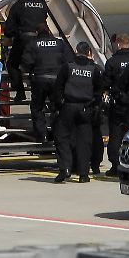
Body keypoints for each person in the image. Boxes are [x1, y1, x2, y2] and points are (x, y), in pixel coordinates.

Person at [52, 41, 105, 183]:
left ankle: (65, 168)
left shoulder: (68, 66)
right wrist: (95, 106)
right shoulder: (94, 69)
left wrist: (58, 105)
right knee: (84, 142)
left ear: (76, 51)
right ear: (89, 53)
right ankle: (83, 174)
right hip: (86, 108)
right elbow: (99, 92)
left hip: (68, 106)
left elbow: (58, 88)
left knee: (62, 137)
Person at [19, 23, 71, 142]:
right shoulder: (59, 43)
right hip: (57, 80)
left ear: (37, 33)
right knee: (58, 107)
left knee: (37, 108)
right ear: (49, 31)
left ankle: (42, 136)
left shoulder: (33, 44)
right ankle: (58, 134)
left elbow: (26, 63)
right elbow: (68, 61)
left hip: (40, 80)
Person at [103, 32, 129, 176]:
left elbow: (105, 83)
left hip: (117, 103)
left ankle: (115, 165)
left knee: (115, 135)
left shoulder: (112, 62)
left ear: (118, 44)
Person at [2, 0, 48, 103]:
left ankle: (20, 92)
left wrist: (9, 36)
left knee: (12, 65)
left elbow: (10, 26)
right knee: (37, 66)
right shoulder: (41, 4)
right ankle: (40, 93)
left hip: (24, 39)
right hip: (40, 40)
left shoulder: (18, 5)